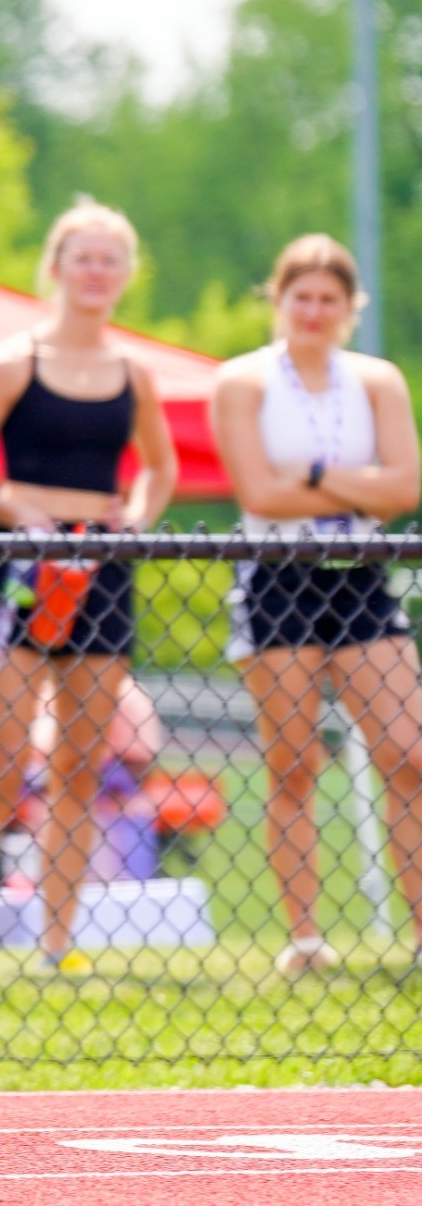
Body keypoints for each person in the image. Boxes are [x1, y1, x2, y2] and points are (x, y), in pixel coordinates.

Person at [0, 199, 177, 980]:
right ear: (58, 267)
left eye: (111, 259)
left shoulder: (134, 373)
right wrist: (16, 509)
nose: (97, 272)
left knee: (80, 765)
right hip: (23, 570)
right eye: (84, 258)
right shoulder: (13, 363)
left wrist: (134, 516)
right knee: (0, 764)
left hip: (102, 567)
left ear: (126, 274)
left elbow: (160, 468)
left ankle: (57, 945)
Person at [211, 234, 422, 977]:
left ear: (349, 308)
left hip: (360, 573)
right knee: (294, 763)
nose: (314, 310)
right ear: (280, 298)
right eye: (302, 296)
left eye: (329, 299)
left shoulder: (376, 379)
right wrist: (358, 482)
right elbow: (261, 493)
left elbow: (404, 490)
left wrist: (318, 469)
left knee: (409, 751)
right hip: (279, 576)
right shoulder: (243, 381)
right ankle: (305, 937)